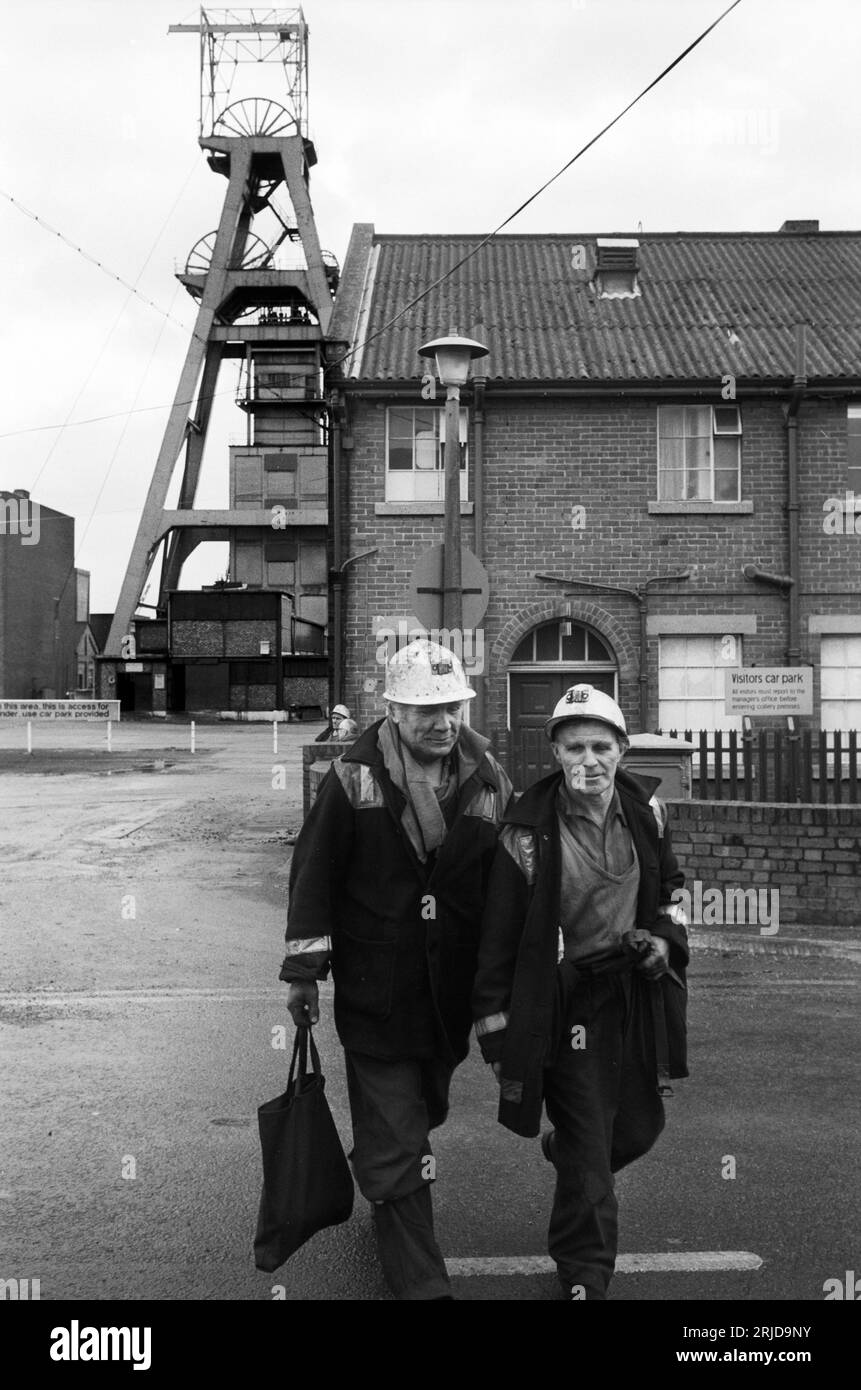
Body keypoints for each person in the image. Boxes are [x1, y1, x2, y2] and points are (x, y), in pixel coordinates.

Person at [280, 638, 513, 1300]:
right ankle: (421, 1280)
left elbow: (505, 888)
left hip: (447, 999)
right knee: (398, 1136)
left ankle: (386, 1164)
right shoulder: (352, 779)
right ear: (391, 712)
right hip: (374, 994)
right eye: (423, 712)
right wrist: (303, 971)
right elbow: (314, 872)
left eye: (450, 709)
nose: (440, 724)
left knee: (422, 1108)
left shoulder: (488, 782)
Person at [472, 683, 689, 1300]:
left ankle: (565, 1150)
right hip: (567, 1003)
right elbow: (499, 936)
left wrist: (664, 941)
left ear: (622, 749)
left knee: (639, 1129)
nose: (587, 761)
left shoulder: (648, 811)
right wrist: (495, 1029)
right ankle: (585, 1274)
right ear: (556, 755)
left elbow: (671, 891)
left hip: (634, 996)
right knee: (594, 1153)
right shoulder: (526, 833)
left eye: (600, 746)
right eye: (573, 748)